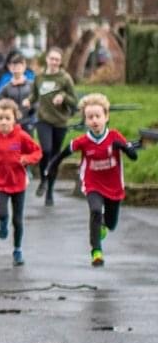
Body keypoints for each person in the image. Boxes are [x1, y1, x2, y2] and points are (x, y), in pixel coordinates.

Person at [46, 94, 141, 267]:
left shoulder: (114, 136)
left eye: (98, 116)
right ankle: (96, 251)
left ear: (106, 117)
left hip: (113, 186)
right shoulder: (84, 141)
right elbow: (64, 153)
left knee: (111, 225)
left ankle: (104, 225)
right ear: (85, 120)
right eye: (90, 117)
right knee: (95, 210)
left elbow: (133, 156)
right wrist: (52, 165)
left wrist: (123, 147)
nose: (94, 120)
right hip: (92, 183)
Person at [0, 99, 43, 266]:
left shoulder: (21, 136)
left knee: (17, 220)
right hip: (0, 184)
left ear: (14, 119)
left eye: (7, 118)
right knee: (2, 213)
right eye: (0, 118)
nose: (3, 122)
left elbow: (37, 151)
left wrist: (27, 159)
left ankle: (17, 250)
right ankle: (2, 223)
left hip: (18, 183)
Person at [30, 47, 78, 206]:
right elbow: (34, 95)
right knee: (46, 150)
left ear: (60, 61)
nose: (54, 62)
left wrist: (63, 96)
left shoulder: (65, 78)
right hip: (43, 120)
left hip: (60, 122)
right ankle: (43, 179)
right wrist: (28, 101)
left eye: (57, 59)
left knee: (55, 157)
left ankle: (49, 191)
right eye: (52, 58)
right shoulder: (39, 77)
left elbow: (74, 100)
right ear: (47, 59)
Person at [0, 53, 36, 136]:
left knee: (28, 146)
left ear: (24, 67)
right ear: (10, 68)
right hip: (12, 123)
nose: (16, 70)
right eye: (14, 67)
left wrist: (32, 107)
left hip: (28, 121)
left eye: (19, 67)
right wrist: (8, 105)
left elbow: (38, 100)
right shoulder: (6, 87)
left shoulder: (31, 85)